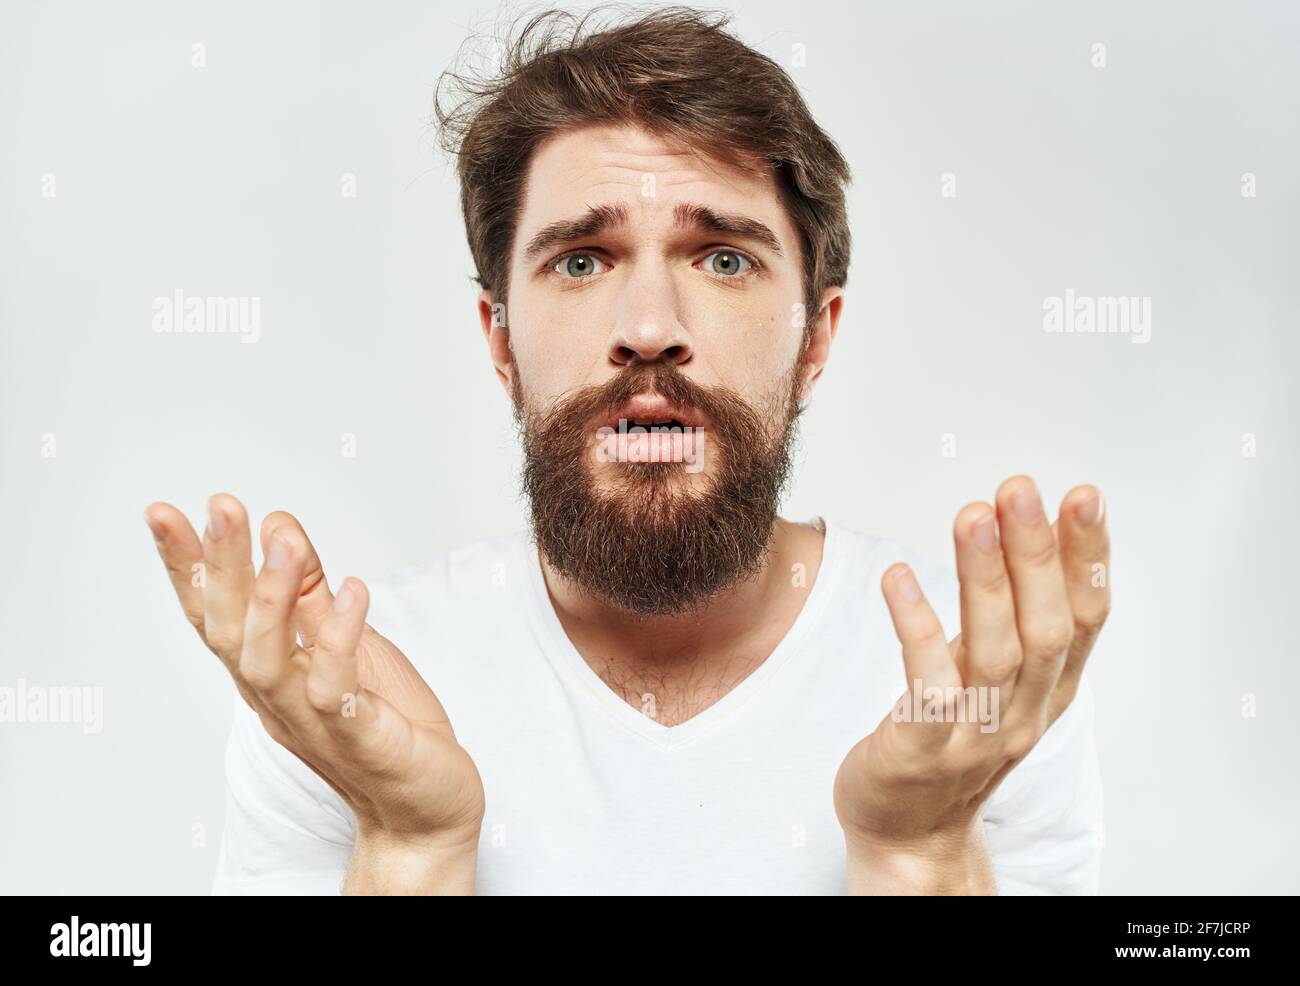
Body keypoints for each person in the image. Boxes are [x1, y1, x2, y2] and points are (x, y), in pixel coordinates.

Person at [143, 6, 1110, 895]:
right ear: (500, 340)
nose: (649, 327)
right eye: (581, 260)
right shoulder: (343, 693)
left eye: (723, 257)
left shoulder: (978, 681)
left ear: (815, 338)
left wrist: (920, 850)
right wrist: (409, 846)